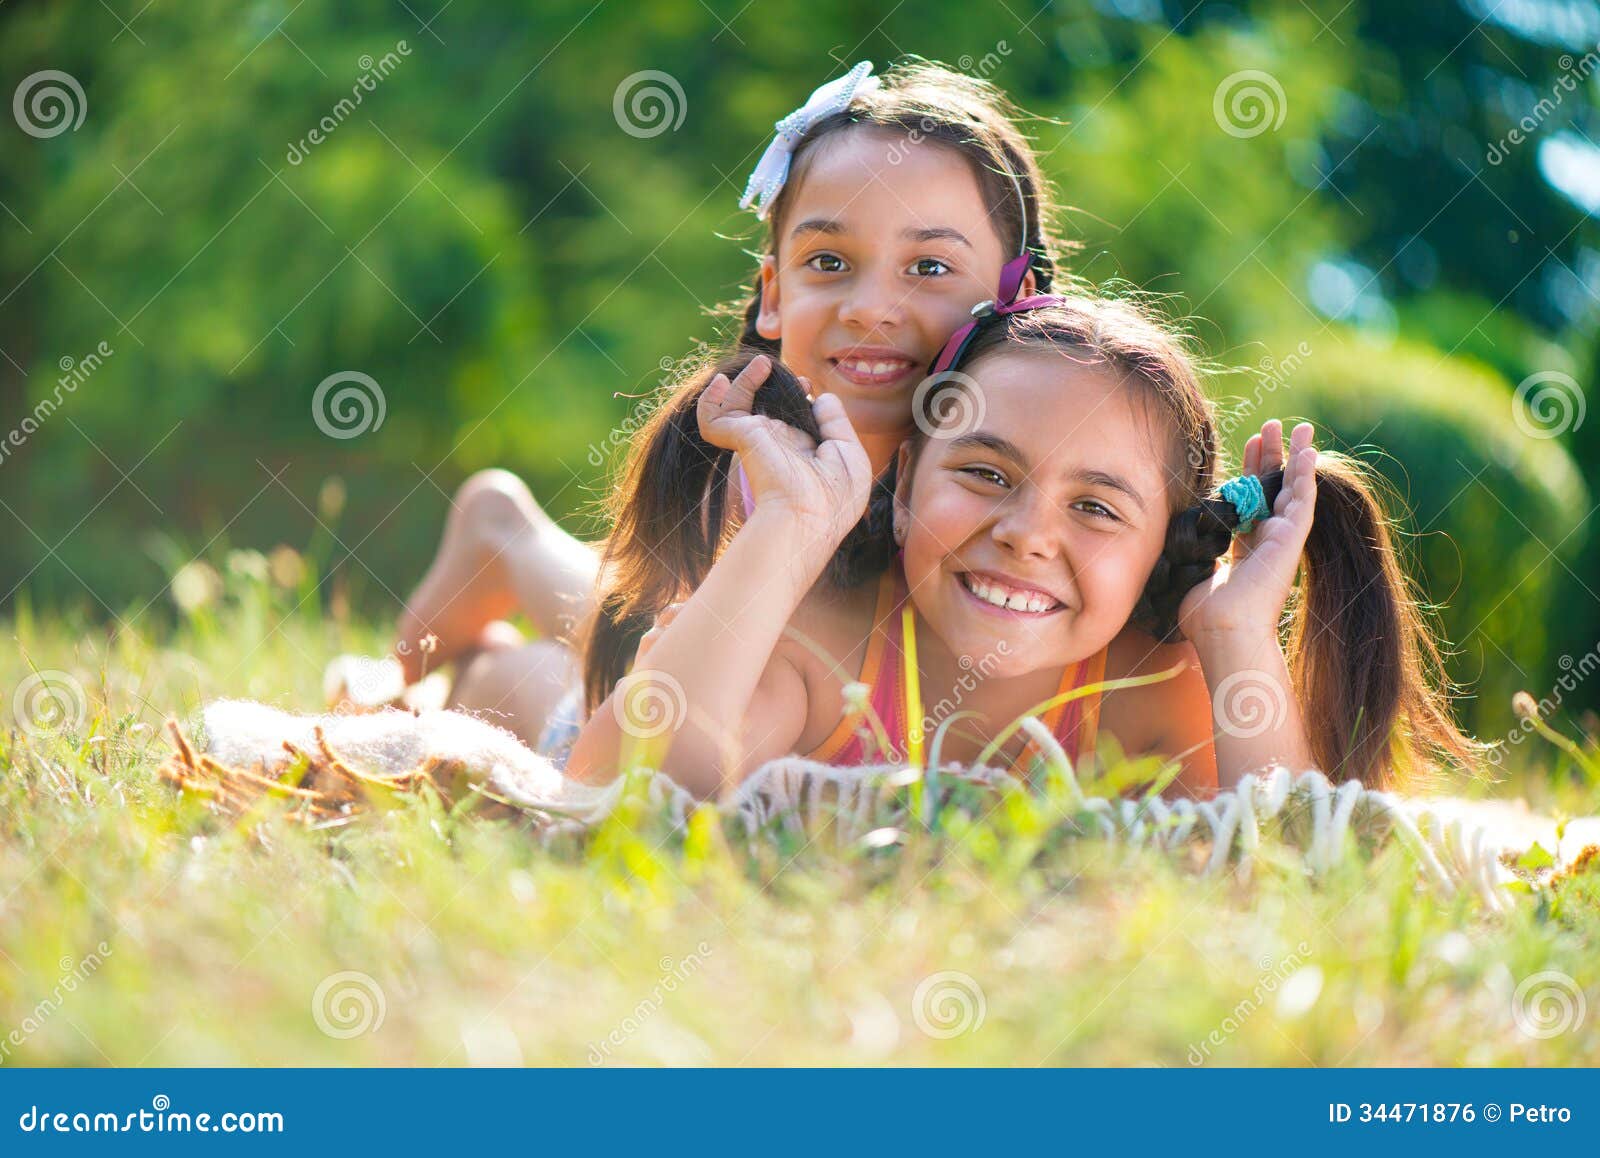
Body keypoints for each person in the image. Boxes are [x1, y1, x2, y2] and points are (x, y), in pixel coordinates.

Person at [383, 59, 1070, 746]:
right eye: (829, 262)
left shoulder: (1060, 463)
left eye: (929, 268)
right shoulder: (757, 466)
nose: (869, 310)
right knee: (520, 683)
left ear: (1021, 295)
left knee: (545, 645)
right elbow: (662, 712)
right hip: (647, 714)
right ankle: (448, 606)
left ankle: (502, 531)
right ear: (775, 295)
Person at [566, 291, 1482, 798]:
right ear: (903, 487)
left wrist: (1242, 636)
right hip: (608, 695)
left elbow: (1290, 876)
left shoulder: (1157, 694)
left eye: (1097, 509)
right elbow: (610, 795)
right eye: (986, 475)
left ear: (1166, 542)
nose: (1026, 536)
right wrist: (789, 528)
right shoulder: (821, 645)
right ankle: (505, 530)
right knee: (524, 674)